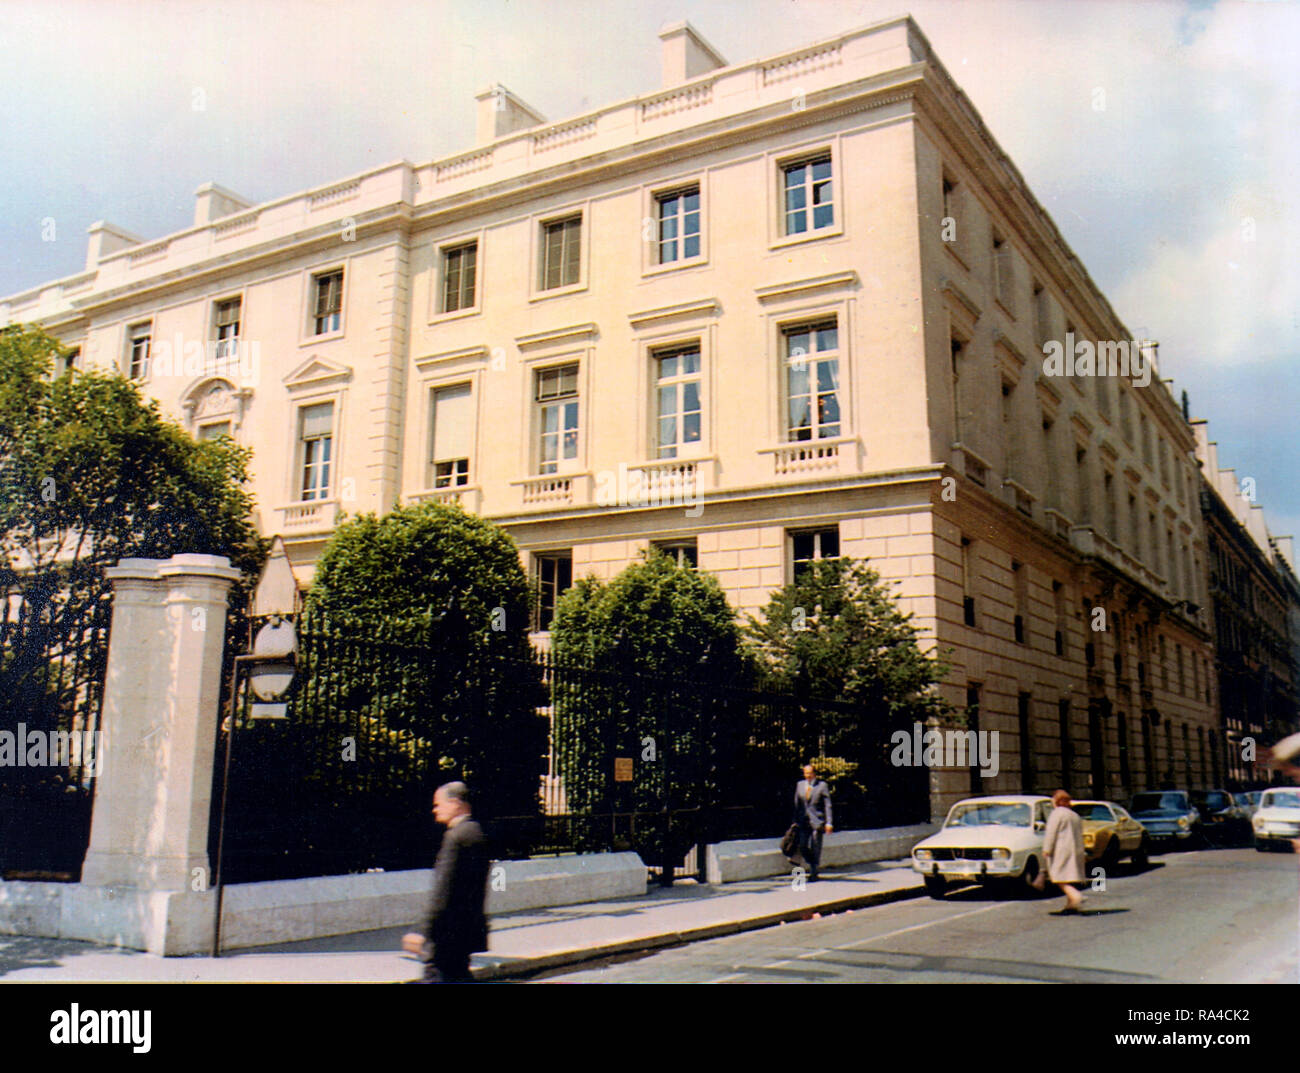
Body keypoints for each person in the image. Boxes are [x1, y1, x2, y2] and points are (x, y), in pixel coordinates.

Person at [401, 781, 491, 982]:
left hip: (445, 935)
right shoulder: (477, 832)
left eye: (438, 804)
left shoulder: (455, 837)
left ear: (455, 803)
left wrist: (422, 931)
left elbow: (442, 891)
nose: (434, 810)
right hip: (465, 933)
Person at [1042, 788, 1086, 914]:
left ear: (1058, 801)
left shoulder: (1057, 814)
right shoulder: (1074, 815)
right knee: (1068, 876)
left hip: (1061, 849)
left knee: (1058, 877)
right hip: (1075, 849)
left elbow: (1051, 833)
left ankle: (1077, 897)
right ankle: (1071, 906)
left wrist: (1047, 849)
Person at [793, 762, 833, 882]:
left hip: (817, 821)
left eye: (810, 773)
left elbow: (828, 805)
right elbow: (797, 804)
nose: (808, 776)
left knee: (816, 845)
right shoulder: (799, 785)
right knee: (803, 845)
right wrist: (794, 821)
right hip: (803, 821)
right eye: (806, 773)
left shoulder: (822, 786)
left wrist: (829, 822)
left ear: (814, 773)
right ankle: (813, 862)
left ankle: (814, 871)